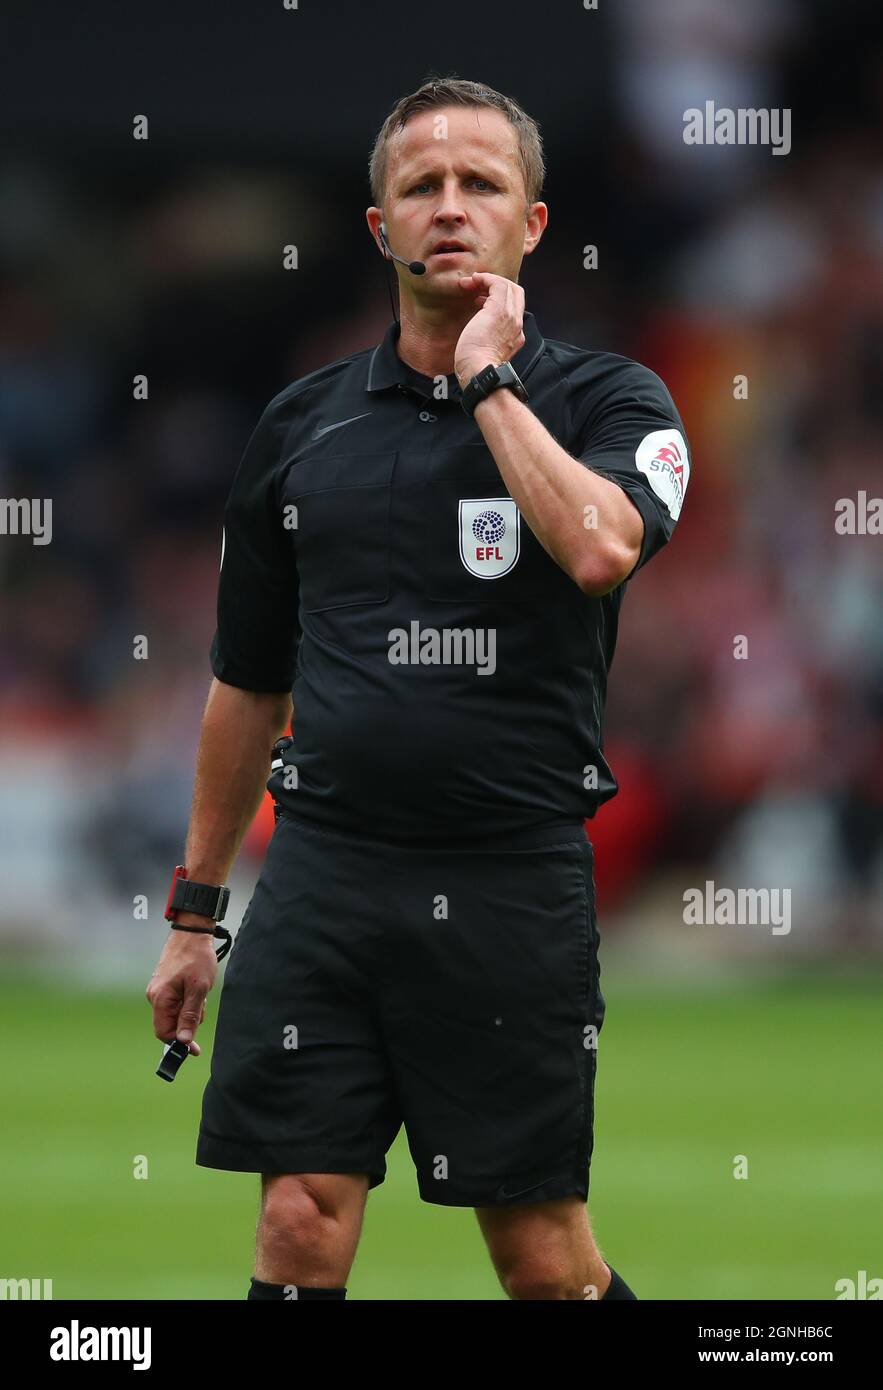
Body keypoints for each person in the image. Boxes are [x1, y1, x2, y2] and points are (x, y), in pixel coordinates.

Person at [146, 75, 690, 1301]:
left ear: (531, 224)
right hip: (325, 872)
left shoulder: (612, 400)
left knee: (539, 1255)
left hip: (507, 874)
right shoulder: (300, 427)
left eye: (480, 184)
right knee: (298, 1216)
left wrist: (488, 381)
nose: (450, 206)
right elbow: (247, 682)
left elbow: (600, 548)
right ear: (379, 224)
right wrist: (194, 913)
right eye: (421, 186)